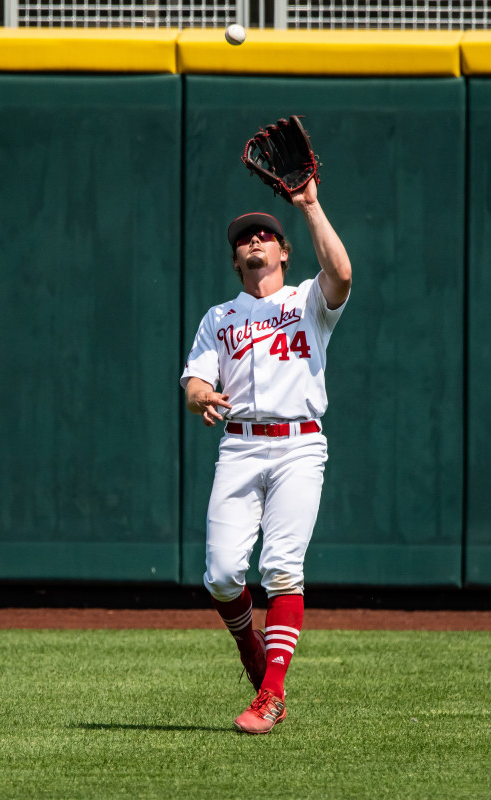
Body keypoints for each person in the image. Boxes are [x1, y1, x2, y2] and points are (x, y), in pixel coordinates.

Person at [180, 179, 351, 734]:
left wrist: (308, 205)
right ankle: (246, 645)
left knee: (280, 568)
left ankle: (271, 693)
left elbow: (342, 275)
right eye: (245, 238)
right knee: (223, 575)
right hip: (240, 445)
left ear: (283, 251)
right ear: (237, 258)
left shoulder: (307, 301)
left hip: (299, 444)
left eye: (266, 235)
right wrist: (201, 395)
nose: (256, 239)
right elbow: (194, 384)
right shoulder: (218, 318)